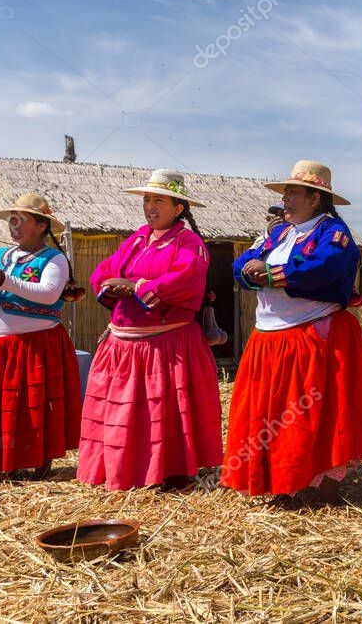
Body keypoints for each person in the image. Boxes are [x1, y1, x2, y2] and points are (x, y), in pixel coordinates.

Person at [221, 160, 362, 501]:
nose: (286, 199)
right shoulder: (279, 233)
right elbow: (240, 264)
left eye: (293, 192)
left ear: (316, 199)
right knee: (272, 416)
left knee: (310, 416)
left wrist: (273, 273)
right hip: (270, 340)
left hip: (311, 335)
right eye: (285, 192)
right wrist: (252, 272)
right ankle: (282, 480)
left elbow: (324, 268)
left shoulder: (332, 233)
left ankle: (322, 486)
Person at [77, 169, 223, 491]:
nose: (150, 206)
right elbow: (104, 272)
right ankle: (122, 471)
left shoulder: (189, 243)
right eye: (146, 199)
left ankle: (167, 472)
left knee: (162, 413)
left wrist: (136, 287)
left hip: (165, 346)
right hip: (124, 344)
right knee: (125, 417)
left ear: (179, 207)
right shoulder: (138, 238)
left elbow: (185, 281)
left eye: (158, 200)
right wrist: (114, 286)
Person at [0, 193, 82, 479]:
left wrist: (5, 281)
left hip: (35, 345)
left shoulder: (54, 259)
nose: (13, 225)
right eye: (12, 220)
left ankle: (38, 458)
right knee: (1, 406)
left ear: (41, 226)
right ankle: (6, 459)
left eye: (21, 220)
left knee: (30, 406)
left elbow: (49, 293)